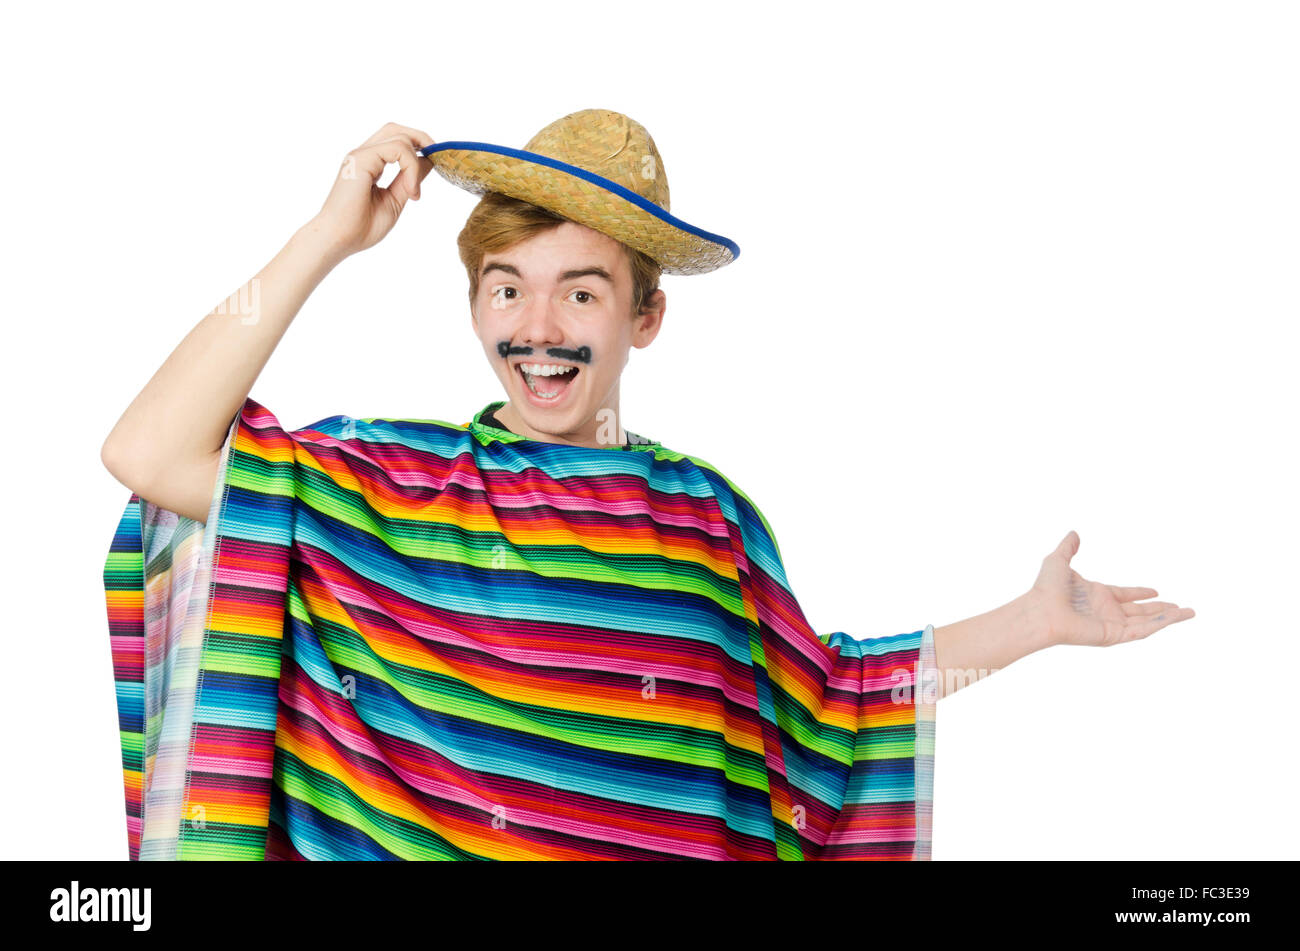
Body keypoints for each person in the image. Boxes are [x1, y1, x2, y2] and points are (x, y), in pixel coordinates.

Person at [100, 109, 1195, 861]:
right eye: (506, 290)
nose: (537, 330)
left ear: (644, 318)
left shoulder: (704, 522)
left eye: (581, 295)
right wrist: (323, 238)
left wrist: (1030, 624)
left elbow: (834, 708)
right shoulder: (385, 484)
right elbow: (148, 452)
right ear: (474, 305)